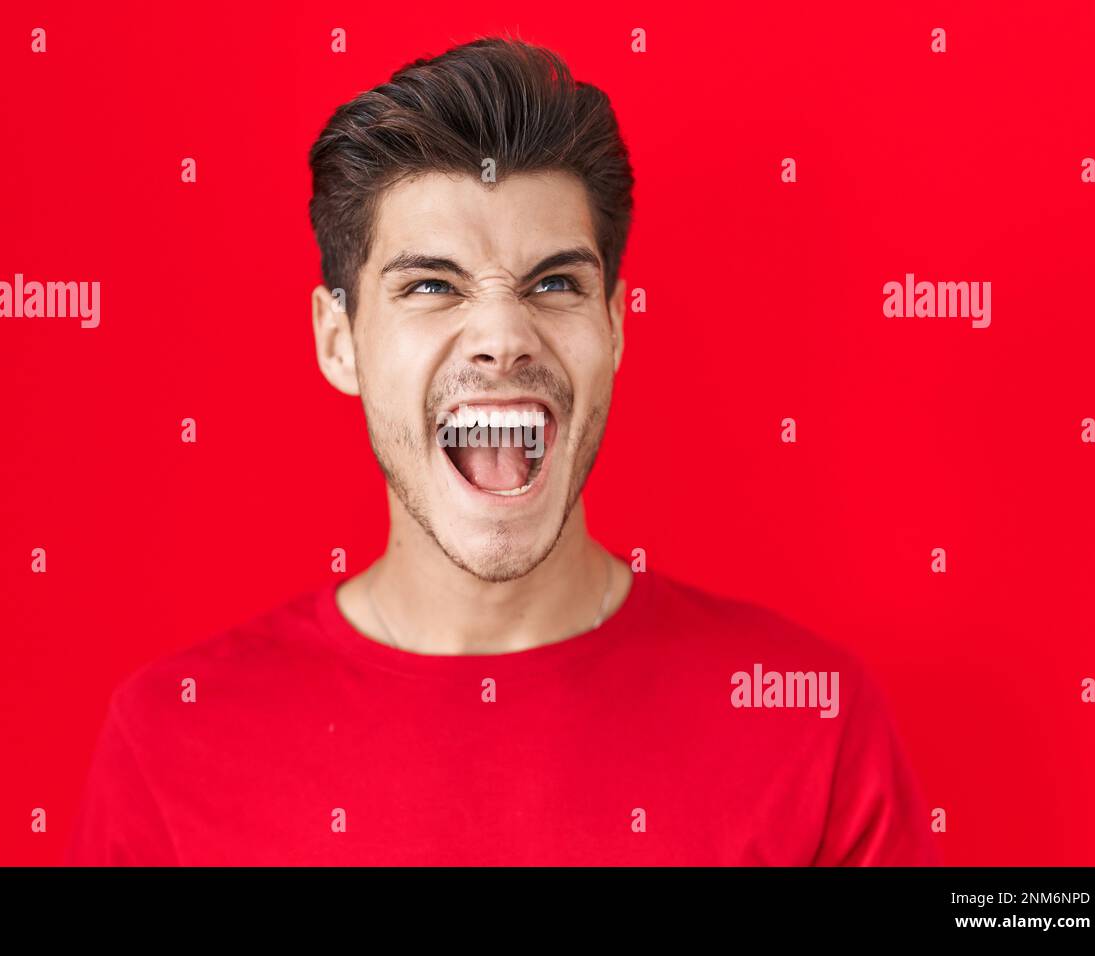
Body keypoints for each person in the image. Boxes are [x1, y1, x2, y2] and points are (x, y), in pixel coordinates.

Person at [67, 37, 939, 866]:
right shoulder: (171, 742)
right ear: (339, 340)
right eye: (431, 286)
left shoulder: (809, 723)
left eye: (554, 283)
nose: (500, 336)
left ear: (616, 327)